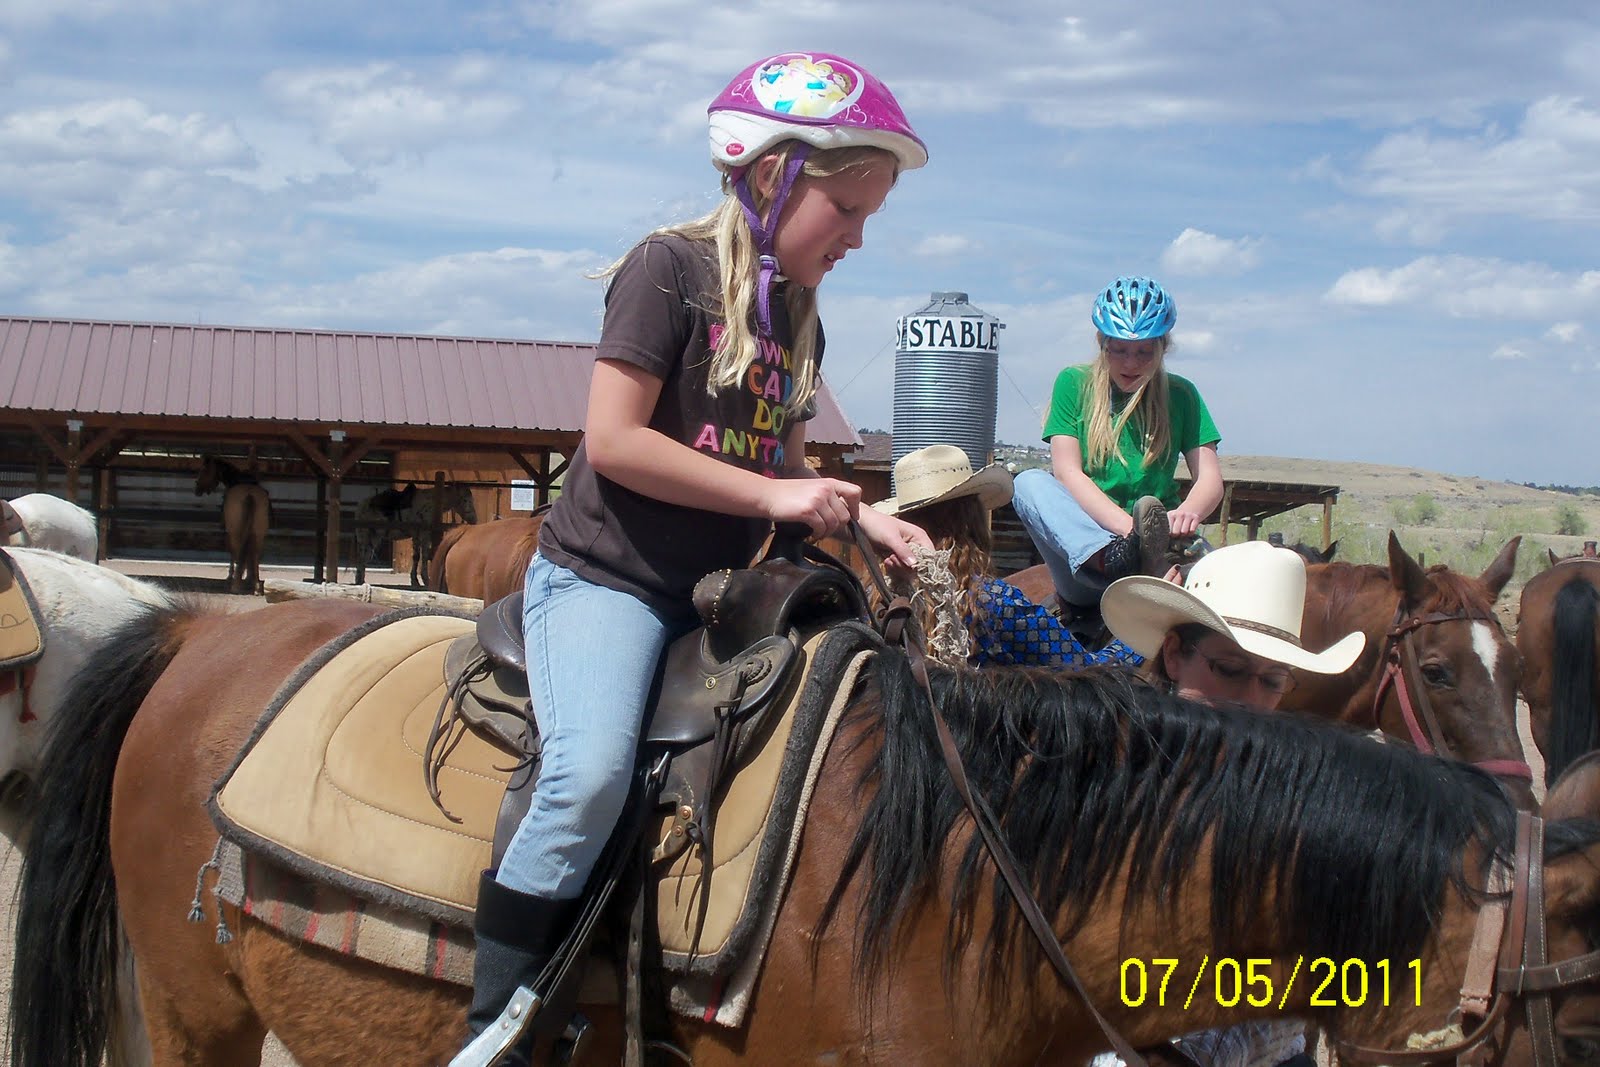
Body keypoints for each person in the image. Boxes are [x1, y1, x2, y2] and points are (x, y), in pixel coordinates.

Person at [456, 52, 932, 1063]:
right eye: (846, 208)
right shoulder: (663, 270)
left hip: (716, 597)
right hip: (611, 581)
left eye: (866, 217)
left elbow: (790, 466)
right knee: (586, 776)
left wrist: (868, 518)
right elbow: (614, 441)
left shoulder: (794, 309)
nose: (856, 237)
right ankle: (497, 1025)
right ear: (771, 177)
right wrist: (772, 492)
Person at [1094, 539, 1364, 1067]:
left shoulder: (1300, 801)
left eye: (1272, 680)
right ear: (1174, 655)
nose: (1251, 701)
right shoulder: (1106, 778)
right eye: (1231, 670)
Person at [1011, 275, 1224, 616]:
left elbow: (1210, 479)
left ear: (1163, 347)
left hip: (1163, 546)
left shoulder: (1182, 395)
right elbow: (1067, 472)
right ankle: (1111, 561)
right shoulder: (1074, 383)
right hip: (1090, 557)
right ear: (1102, 343)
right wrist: (1135, 537)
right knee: (1027, 483)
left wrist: (1188, 513)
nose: (1130, 363)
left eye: (1144, 351)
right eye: (1119, 350)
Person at [868, 444, 1141, 669]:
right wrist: (1145, 629)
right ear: (971, 520)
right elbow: (1087, 672)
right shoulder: (992, 603)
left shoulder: (879, 595)